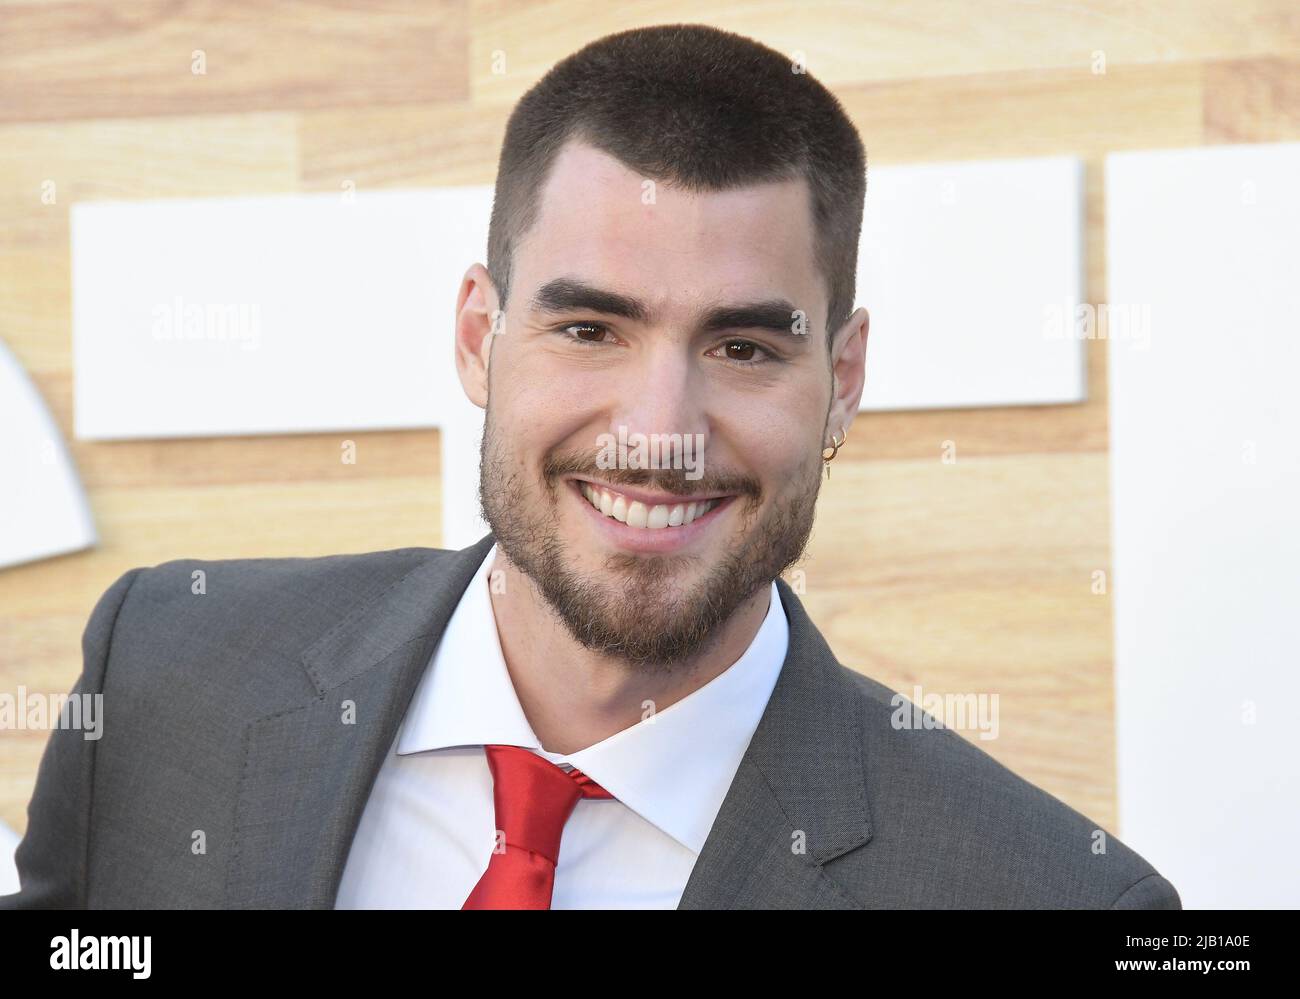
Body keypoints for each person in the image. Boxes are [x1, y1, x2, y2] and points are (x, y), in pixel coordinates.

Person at [3, 23, 1179, 909]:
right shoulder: (167, 672)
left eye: (743, 346)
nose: (660, 430)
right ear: (478, 335)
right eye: (588, 330)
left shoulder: (1042, 896)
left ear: (846, 377)